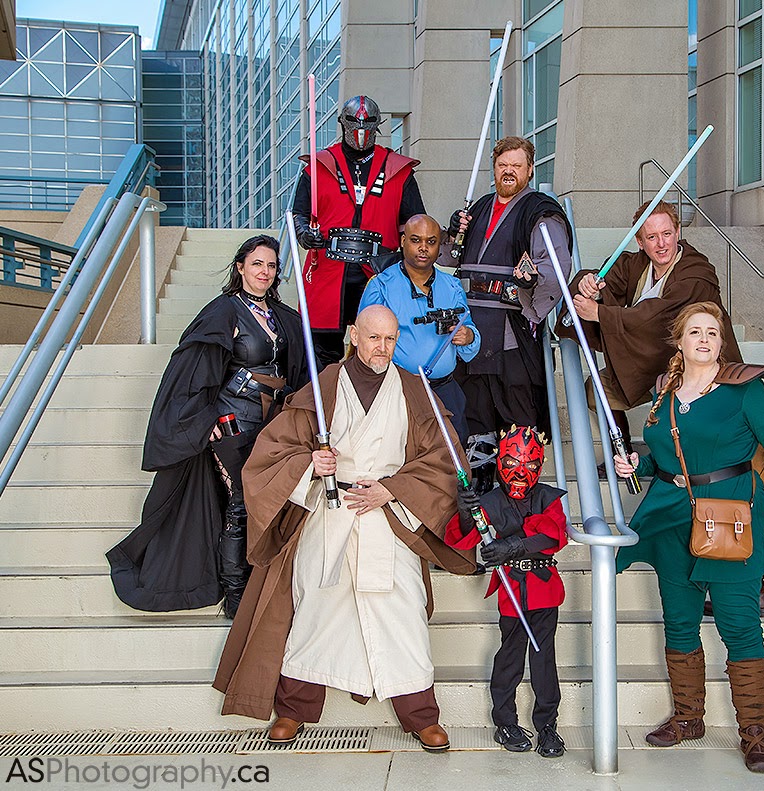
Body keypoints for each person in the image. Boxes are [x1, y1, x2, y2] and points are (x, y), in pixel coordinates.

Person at [212, 305, 477, 752]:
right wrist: (310, 464)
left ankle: (421, 716)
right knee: (315, 610)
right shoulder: (323, 388)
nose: (383, 348)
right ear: (354, 335)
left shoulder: (415, 391)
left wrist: (393, 489)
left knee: (402, 613)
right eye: (374, 338)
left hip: (389, 517)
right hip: (329, 511)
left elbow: (445, 460)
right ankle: (293, 709)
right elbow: (274, 450)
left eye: (391, 339)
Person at [613, 301, 764, 773]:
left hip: (730, 515)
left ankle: (755, 735)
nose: (706, 339)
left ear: (721, 341)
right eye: (696, 332)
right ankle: (688, 719)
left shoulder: (743, 388)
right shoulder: (665, 392)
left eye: (713, 331)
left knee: (739, 626)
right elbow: (667, 458)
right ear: (680, 341)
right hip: (673, 517)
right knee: (680, 622)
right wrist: (637, 464)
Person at [107, 236, 309, 619]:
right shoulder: (223, 313)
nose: (264, 273)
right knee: (240, 504)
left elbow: (297, 366)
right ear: (240, 267)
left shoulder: (282, 316)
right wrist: (204, 418)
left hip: (272, 426)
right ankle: (235, 596)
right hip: (234, 423)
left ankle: (260, 584)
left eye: (270, 266)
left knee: (268, 501)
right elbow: (190, 372)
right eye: (257, 265)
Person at [557, 200, 741, 457]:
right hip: (649, 361)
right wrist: (589, 284)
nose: (662, 244)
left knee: (677, 411)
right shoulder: (636, 264)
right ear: (640, 243)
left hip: (695, 370)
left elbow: (659, 317)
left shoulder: (696, 272)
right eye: (652, 237)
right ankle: (623, 457)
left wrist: (600, 313)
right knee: (596, 389)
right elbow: (604, 279)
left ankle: (672, 463)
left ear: (677, 232)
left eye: (667, 234)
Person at [444, 136, 571, 493]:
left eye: (517, 165)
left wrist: (533, 280)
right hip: (470, 328)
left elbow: (555, 267)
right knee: (474, 411)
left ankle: (520, 496)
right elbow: (450, 258)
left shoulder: (540, 212)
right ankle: (480, 492)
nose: (509, 171)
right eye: (503, 165)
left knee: (517, 410)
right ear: (494, 169)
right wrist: (454, 233)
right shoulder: (479, 208)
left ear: (530, 169)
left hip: (511, 327)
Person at [444, 426, 568, 758]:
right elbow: (467, 537)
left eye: (529, 464)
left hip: (543, 588)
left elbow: (552, 535)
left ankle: (547, 726)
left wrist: (511, 546)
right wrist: (465, 510)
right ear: (501, 461)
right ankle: (506, 722)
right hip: (512, 588)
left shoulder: (547, 497)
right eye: (513, 461)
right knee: (510, 657)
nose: (520, 471)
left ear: (539, 465)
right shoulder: (491, 501)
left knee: (544, 659)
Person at [292, 94, 426, 365]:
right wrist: (304, 233)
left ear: (377, 126)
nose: (361, 131)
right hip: (327, 269)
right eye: (354, 123)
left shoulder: (398, 171)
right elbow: (298, 214)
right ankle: (322, 406)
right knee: (318, 354)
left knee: (380, 348)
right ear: (343, 123)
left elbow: (416, 224)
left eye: (368, 125)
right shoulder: (319, 167)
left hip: (378, 271)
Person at [358, 214, 479, 443]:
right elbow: (365, 344)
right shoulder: (381, 285)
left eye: (431, 242)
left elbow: (470, 336)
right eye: (416, 240)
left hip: (444, 390)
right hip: (396, 390)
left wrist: (468, 336)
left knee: (453, 453)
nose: (423, 248)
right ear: (403, 241)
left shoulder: (452, 285)